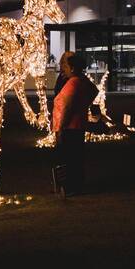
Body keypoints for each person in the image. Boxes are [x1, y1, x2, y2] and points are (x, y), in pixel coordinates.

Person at [51, 51, 97, 196]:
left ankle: (71, 186)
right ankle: (75, 185)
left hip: (70, 127)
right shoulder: (80, 81)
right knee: (75, 157)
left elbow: (67, 107)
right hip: (77, 125)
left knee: (70, 158)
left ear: (72, 68)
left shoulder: (73, 83)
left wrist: (61, 127)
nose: (62, 68)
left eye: (65, 65)